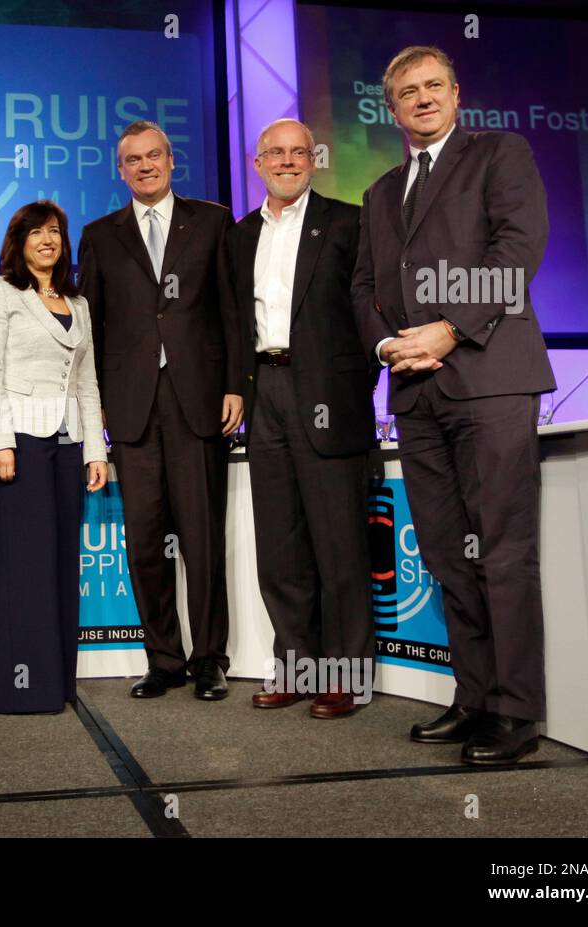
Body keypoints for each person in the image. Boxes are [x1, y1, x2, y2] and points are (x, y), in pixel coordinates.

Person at [352, 46, 555, 764]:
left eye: (433, 85)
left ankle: (516, 711)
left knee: (502, 550)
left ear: (456, 93)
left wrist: (449, 328)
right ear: (392, 108)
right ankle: (473, 697)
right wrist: (387, 348)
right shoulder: (380, 193)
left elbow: (519, 248)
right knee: (446, 552)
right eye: (407, 91)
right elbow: (365, 288)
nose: (422, 98)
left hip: (491, 379)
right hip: (415, 391)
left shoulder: (499, 152)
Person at [78, 120, 243, 701]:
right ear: (119, 170)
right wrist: (91, 406)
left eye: (155, 156)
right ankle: (164, 660)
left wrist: (235, 385)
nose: (145, 166)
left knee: (201, 539)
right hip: (131, 408)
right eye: (133, 160)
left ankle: (209, 660)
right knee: (145, 542)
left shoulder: (214, 221)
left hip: (198, 400)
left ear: (172, 162)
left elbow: (232, 310)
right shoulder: (99, 236)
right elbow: (89, 329)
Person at [225, 119, 375, 718]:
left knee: (339, 545)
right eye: (275, 154)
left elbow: (370, 308)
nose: (287, 161)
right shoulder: (240, 236)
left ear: (315, 158)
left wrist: (356, 382)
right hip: (267, 394)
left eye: (298, 152)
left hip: (328, 396)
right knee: (280, 545)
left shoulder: (347, 222)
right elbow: (236, 322)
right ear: (257, 163)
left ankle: (342, 676)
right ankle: (295, 665)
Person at [0, 202, 109, 714]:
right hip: (21, 443)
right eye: (36, 232)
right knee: (25, 565)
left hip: (68, 444)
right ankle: (22, 688)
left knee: (60, 564)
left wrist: (96, 448)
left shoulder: (79, 302)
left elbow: (88, 383)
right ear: (19, 241)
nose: (47, 239)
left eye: (54, 232)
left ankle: (56, 684)